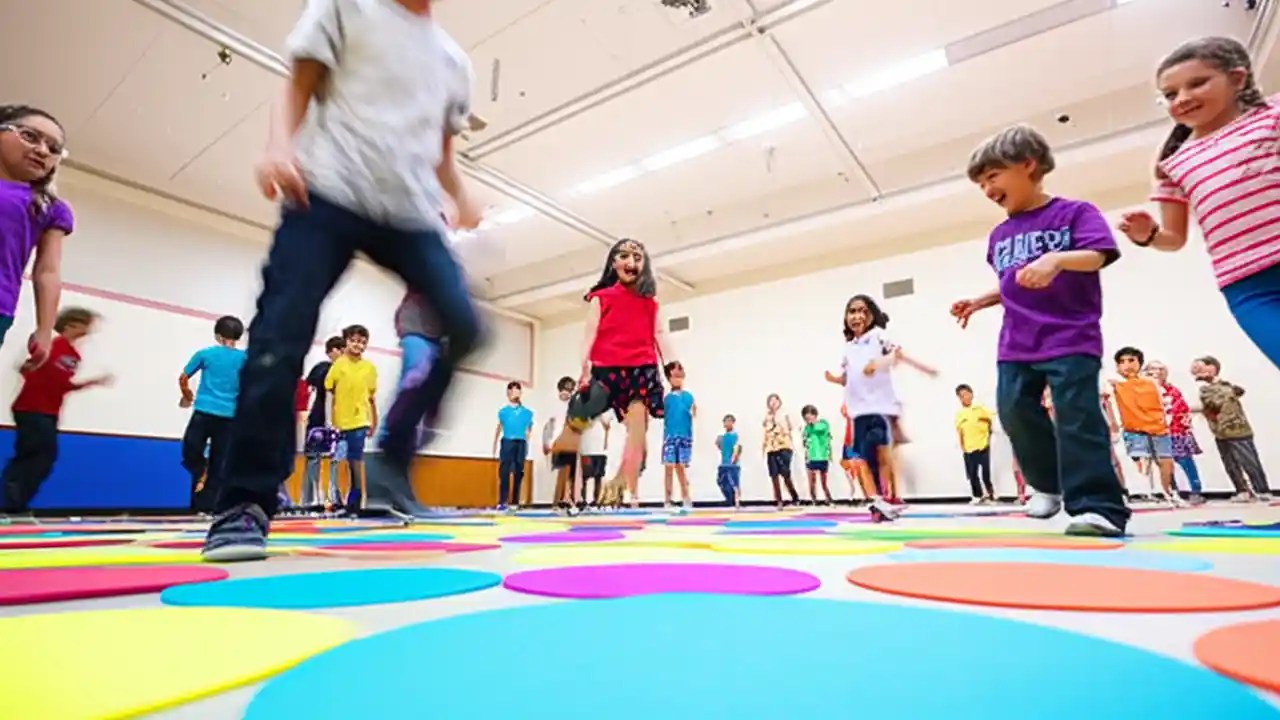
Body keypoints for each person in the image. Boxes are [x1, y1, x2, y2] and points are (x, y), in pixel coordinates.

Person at [201, 0, 483, 560]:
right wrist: (279, 145)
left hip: (409, 214)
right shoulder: (347, 6)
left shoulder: (454, 62)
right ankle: (245, 502)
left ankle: (390, 466)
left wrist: (462, 196)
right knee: (280, 335)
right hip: (326, 193)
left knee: (467, 328)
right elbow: (298, 83)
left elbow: (440, 152)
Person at [953, 124, 1130, 537]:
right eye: (980, 183)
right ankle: (1047, 484)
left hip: (1071, 336)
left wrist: (1058, 260)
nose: (987, 189)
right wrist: (982, 300)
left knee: (1077, 417)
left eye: (992, 177)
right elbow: (1015, 279)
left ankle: (1098, 507)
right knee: (1014, 411)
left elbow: (1098, 255)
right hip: (1017, 341)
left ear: (1028, 165)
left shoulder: (1074, 212)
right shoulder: (999, 235)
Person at [1120, 37, 1280, 371]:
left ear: (1237, 79)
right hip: (1249, 288)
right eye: (1171, 94)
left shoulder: (1272, 118)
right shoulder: (1174, 161)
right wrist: (1148, 235)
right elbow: (1174, 239)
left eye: (1197, 83)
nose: (1183, 98)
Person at [549, 238, 676, 509]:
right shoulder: (601, 298)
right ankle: (567, 438)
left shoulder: (650, 302)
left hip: (642, 370)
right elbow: (589, 334)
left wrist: (671, 363)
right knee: (582, 414)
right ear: (613, 262)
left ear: (645, 265)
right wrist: (584, 366)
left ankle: (621, 482)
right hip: (607, 370)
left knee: (638, 427)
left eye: (638, 258)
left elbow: (659, 333)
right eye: (625, 256)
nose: (631, 263)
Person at [824, 295, 933, 521]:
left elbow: (896, 355)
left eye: (863, 311)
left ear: (871, 315)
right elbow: (848, 378)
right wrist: (835, 379)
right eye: (852, 311)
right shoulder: (848, 348)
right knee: (862, 459)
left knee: (883, 454)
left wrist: (878, 363)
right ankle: (876, 502)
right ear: (846, 318)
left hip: (880, 408)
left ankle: (887, 496)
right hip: (858, 411)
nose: (858, 316)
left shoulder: (878, 336)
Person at [1, 308, 111, 516]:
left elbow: (62, 385)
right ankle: (10, 504)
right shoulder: (51, 343)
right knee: (30, 454)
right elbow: (32, 353)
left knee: (46, 458)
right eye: (85, 324)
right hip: (30, 408)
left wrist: (92, 382)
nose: (88, 331)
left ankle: (17, 504)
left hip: (50, 412)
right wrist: (29, 363)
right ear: (71, 324)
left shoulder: (73, 356)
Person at [0, 105, 70, 357]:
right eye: (29, 136)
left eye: (53, 148)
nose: (42, 150)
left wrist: (45, 330)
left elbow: (47, 271)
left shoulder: (49, 207)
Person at [179, 315, 247, 514]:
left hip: (204, 411)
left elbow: (183, 377)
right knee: (219, 461)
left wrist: (187, 395)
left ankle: (200, 475)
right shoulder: (244, 359)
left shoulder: (205, 354)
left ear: (217, 335)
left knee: (191, 449)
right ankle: (208, 505)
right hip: (229, 416)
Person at [1192, 355, 1271, 501]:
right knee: (1230, 464)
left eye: (1200, 367)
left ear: (1212, 367)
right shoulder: (1206, 390)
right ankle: (1242, 490)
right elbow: (1213, 403)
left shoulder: (1226, 386)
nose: (1196, 371)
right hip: (1220, 432)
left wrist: (1228, 390)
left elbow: (1232, 394)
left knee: (1250, 461)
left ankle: (1262, 490)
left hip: (1239, 429)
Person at [1110, 347, 1181, 506]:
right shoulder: (1115, 385)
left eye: (1131, 360)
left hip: (1158, 428)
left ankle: (1167, 492)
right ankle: (1145, 493)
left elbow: (1164, 404)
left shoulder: (1152, 384)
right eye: (1122, 362)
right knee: (1141, 462)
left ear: (1139, 363)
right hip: (1133, 430)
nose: (1127, 365)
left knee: (1165, 461)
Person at [325, 324, 378, 512]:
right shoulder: (338, 365)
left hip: (360, 421)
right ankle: (336, 499)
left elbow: (371, 398)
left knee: (356, 460)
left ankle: (355, 501)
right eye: (354, 341)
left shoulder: (369, 368)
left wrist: (374, 421)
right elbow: (329, 392)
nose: (358, 345)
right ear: (346, 342)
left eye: (362, 342)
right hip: (340, 423)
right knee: (339, 461)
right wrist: (329, 421)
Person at [1145, 360, 1206, 505]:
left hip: (1176, 432)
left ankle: (1195, 490)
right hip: (1155, 433)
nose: (1157, 373)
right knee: (1164, 464)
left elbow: (1181, 409)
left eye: (1161, 369)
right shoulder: (1143, 391)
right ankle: (1171, 491)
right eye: (1153, 370)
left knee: (1185, 461)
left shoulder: (1172, 390)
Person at [301, 337, 344, 509]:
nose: (340, 353)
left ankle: (333, 499)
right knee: (313, 458)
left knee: (337, 460)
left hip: (341, 419)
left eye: (342, 349)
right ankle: (310, 500)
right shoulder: (321, 368)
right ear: (329, 351)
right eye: (337, 349)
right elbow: (308, 390)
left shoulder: (347, 370)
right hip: (318, 418)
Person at [493, 381, 533, 510]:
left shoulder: (527, 412)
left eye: (516, 390)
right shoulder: (503, 412)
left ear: (520, 392)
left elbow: (528, 431)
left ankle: (515, 501)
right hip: (507, 442)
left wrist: (527, 446)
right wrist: (494, 446)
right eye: (511, 390)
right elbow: (499, 428)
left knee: (518, 472)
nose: (513, 393)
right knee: (504, 472)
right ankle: (502, 500)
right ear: (507, 393)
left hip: (520, 443)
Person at [662, 361, 695, 511]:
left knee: (681, 467)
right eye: (674, 376)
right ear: (669, 378)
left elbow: (694, 412)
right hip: (670, 436)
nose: (678, 379)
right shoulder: (666, 399)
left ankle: (685, 497)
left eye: (680, 376)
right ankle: (667, 500)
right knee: (668, 467)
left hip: (684, 436)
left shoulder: (688, 397)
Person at [543, 376, 579, 514]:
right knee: (562, 472)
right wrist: (546, 442)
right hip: (558, 442)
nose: (568, 392)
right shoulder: (554, 406)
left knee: (571, 474)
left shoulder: (574, 406)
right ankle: (556, 503)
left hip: (571, 443)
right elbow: (548, 426)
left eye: (570, 389)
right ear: (560, 389)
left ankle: (567, 500)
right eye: (565, 388)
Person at [954, 384, 995, 504]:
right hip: (969, 447)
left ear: (971, 394)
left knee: (985, 472)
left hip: (983, 445)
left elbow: (990, 422)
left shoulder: (980, 409)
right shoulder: (960, 414)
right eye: (962, 396)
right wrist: (962, 446)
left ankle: (990, 494)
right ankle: (977, 495)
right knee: (972, 473)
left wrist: (988, 437)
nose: (965, 397)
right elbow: (960, 431)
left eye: (967, 394)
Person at [761, 394, 799, 509]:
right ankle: (779, 501)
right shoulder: (767, 416)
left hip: (784, 447)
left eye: (774, 401)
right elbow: (765, 433)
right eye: (770, 401)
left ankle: (795, 497)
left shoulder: (784, 414)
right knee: (774, 475)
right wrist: (763, 448)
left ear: (779, 402)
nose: (772, 403)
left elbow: (791, 427)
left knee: (785, 474)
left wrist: (777, 421)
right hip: (771, 448)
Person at [801, 405, 834, 505]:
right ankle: (814, 499)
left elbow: (820, 429)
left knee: (824, 482)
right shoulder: (807, 428)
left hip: (822, 456)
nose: (808, 420)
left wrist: (813, 424)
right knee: (812, 481)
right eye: (806, 418)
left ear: (815, 415)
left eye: (810, 417)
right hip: (811, 456)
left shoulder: (823, 424)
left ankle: (829, 499)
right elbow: (805, 441)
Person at [578, 414, 610, 507]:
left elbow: (607, 427)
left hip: (599, 450)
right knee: (584, 477)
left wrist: (605, 443)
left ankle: (596, 501)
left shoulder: (603, 412)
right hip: (586, 449)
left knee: (598, 477)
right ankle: (582, 500)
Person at [715, 414, 742, 509]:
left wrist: (734, 459)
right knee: (721, 481)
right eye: (726, 421)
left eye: (730, 421)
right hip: (723, 462)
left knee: (735, 482)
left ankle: (737, 501)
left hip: (732, 464)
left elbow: (737, 448)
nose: (728, 423)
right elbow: (718, 446)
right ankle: (729, 499)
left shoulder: (735, 435)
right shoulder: (721, 435)